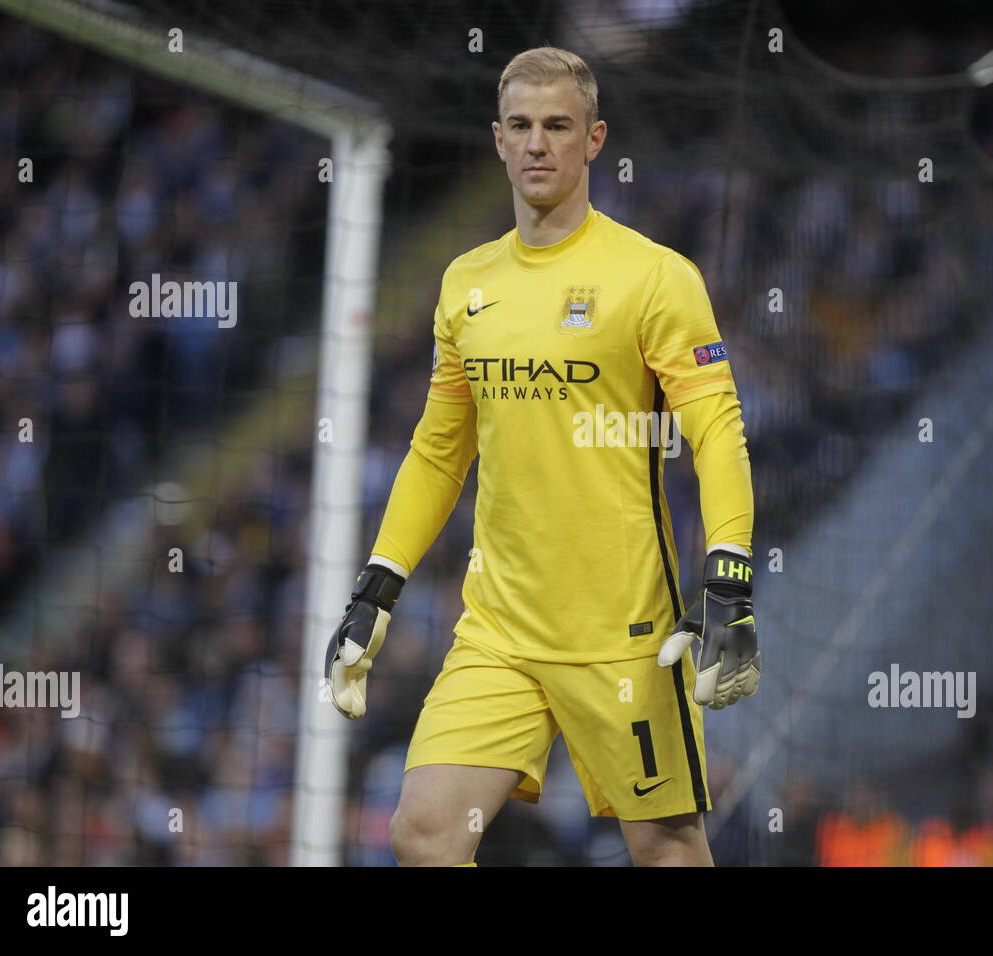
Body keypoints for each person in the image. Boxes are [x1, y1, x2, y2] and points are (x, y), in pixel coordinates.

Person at [324, 46, 758, 867]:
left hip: (626, 628)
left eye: (557, 126)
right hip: (500, 629)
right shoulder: (466, 284)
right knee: (423, 834)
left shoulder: (655, 278)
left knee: (666, 845)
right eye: (520, 125)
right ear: (496, 138)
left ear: (594, 139)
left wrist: (729, 577)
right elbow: (438, 450)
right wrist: (375, 588)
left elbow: (718, 429)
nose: (537, 143)